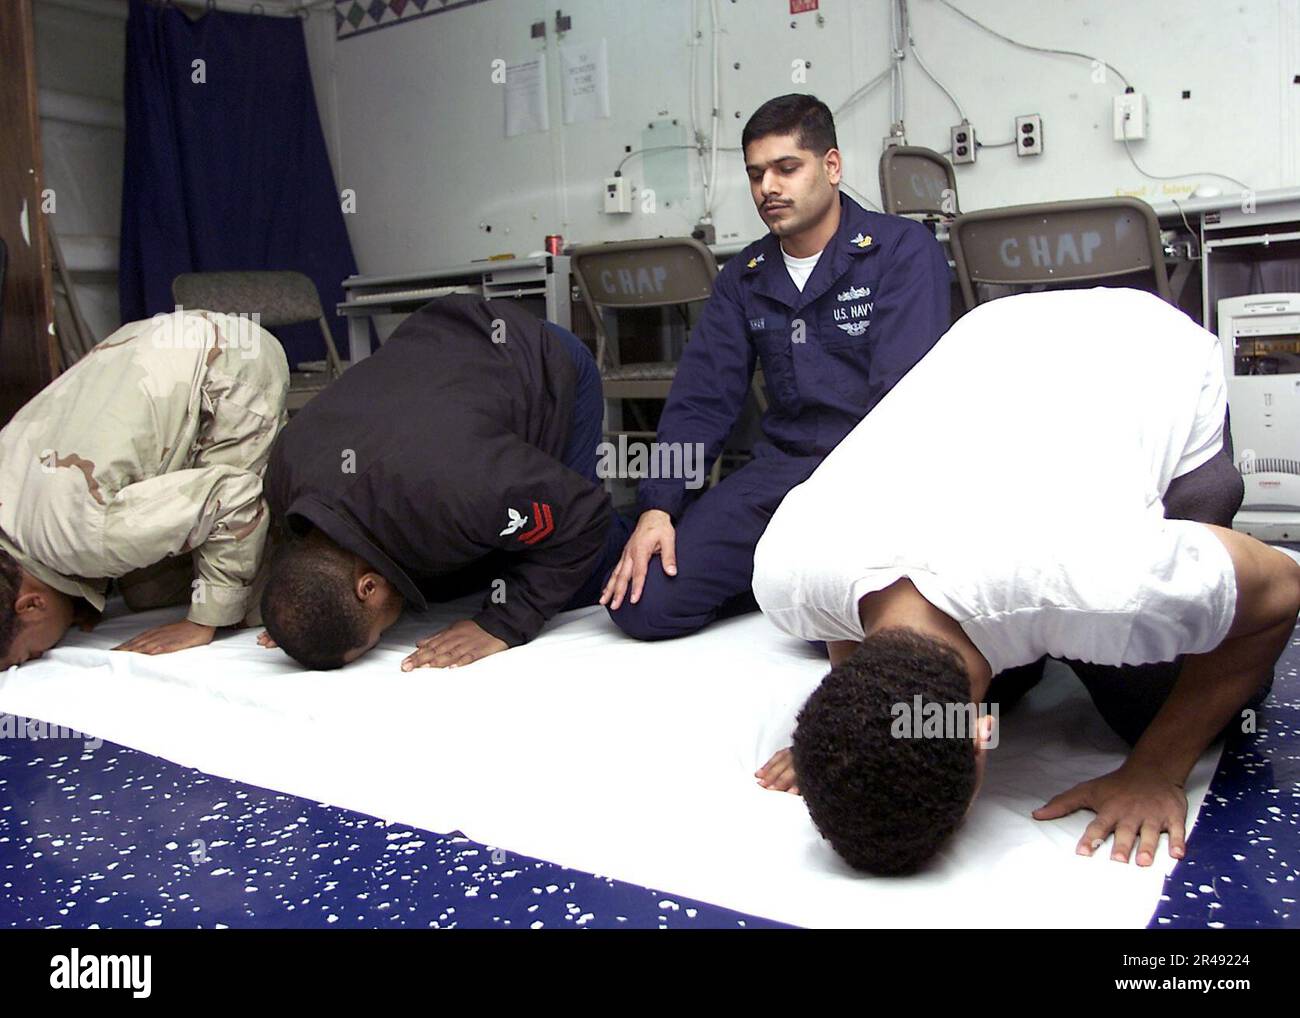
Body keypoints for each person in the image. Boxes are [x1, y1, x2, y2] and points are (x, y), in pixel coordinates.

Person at [750, 287, 1300, 874]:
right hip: (993, 340)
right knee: (990, 669)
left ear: (982, 737)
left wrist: (1157, 768)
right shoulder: (786, 571)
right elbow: (838, 620)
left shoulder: (1116, 584)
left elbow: (1284, 588)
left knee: (1149, 707)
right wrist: (851, 739)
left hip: (1134, 341)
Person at [601, 93, 952, 638]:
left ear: (831, 167)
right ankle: (778, 582)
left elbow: (903, 402)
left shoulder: (900, 250)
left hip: (876, 479)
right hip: (782, 476)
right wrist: (658, 508)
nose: (768, 187)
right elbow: (701, 401)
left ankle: (802, 586)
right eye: (756, 173)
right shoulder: (745, 276)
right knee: (643, 603)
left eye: (787, 168)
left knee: (893, 625)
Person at [259, 293, 628, 671]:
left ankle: (643, 525)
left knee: (572, 576)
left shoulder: (462, 492)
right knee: (443, 577)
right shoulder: (284, 476)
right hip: (438, 345)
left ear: (368, 587)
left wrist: (503, 622)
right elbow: (305, 582)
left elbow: (583, 517)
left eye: (375, 638)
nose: (381, 636)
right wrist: (303, 624)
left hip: (536, 355)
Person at [0, 308, 289, 666]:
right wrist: (75, 597)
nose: (39, 654)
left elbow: (234, 495)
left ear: (32, 605)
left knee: (249, 604)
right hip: (147, 338)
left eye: (31, 653)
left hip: (230, 356)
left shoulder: (90, 535)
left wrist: (204, 621)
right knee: (146, 593)